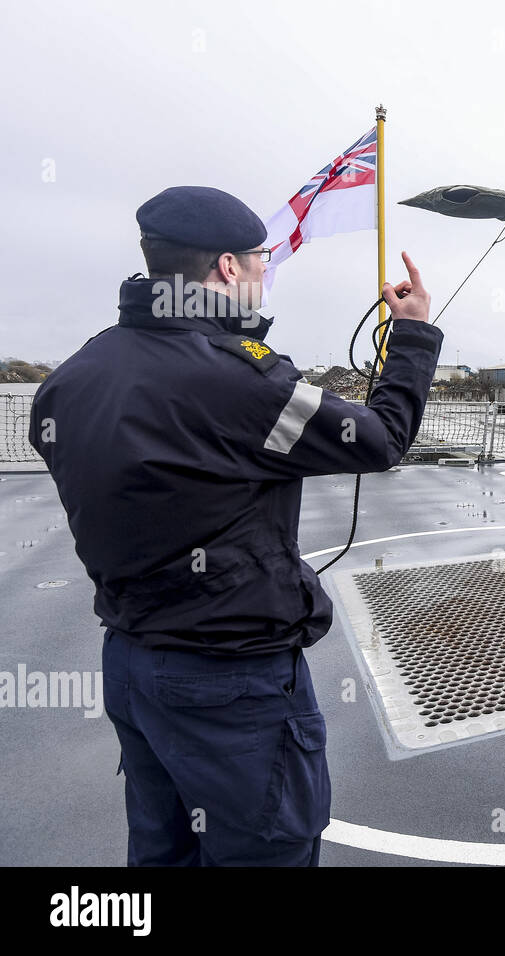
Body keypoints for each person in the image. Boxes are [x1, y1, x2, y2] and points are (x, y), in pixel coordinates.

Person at [28, 185, 443, 866]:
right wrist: (414, 336)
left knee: (162, 851)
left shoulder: (76, 375)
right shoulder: (241, 381)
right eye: (260, 263)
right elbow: (381, 440)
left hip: (132, 662)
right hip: (230, 681)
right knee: (264, 850)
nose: (261, 278)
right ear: (226, 268)